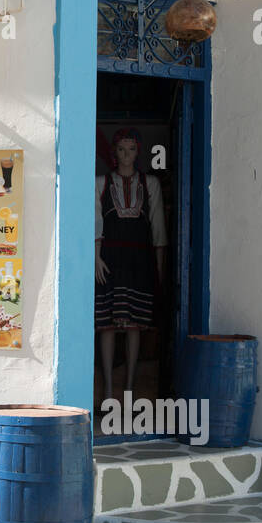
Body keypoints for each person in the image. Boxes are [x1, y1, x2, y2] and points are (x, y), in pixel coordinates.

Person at [95, 129, 166, 402]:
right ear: (115, 152)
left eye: (132, 149)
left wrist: (158, 268)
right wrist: (96, 257)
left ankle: (129, 389)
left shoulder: (151, 184)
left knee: (135, 325)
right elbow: (95, 221)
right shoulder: (101, 182)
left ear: (138, 152)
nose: (126, 155)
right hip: (109, 260)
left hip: (140, 260)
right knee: (108, 325)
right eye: (122, 149)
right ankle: (110, 391)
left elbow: (158, 228)